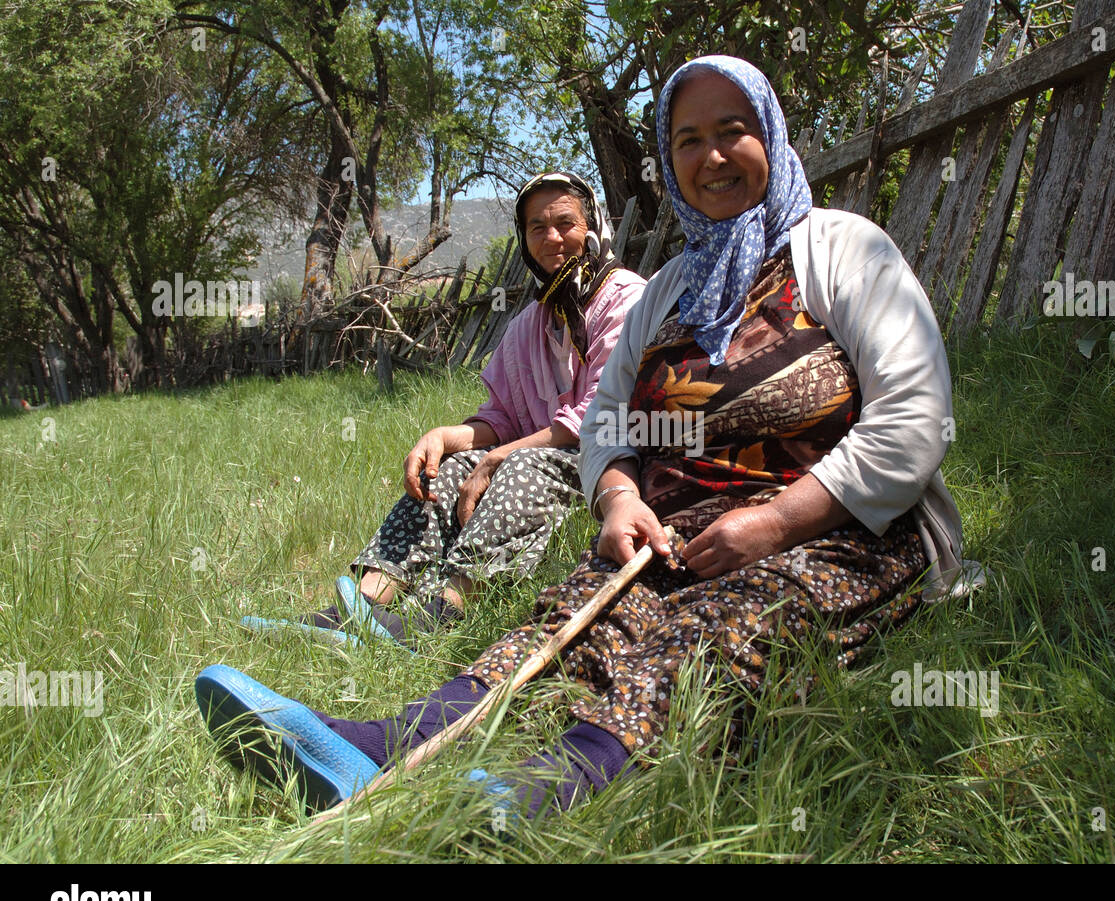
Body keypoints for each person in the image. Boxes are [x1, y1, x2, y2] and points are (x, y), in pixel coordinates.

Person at [195, 56, 979, 818]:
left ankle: (545, 791)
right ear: (669, 163)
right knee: (568, 624)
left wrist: (774, 523)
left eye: (731, 130)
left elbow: (913, 417)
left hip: (834, 531)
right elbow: (607, 421)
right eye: (687, 140)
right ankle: (369, 745)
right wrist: (617, 496)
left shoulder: (845, 249)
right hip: (672, 534)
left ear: (769, 136)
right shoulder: (669, 291)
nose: (710, 156)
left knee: (736, 618)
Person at [241, 171, 646, 649]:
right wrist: (443, 437)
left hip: (604, 465)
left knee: (519, 463)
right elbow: (500, 417)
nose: (552, 237)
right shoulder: (529, 326)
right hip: (542, 452)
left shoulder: (624, 298)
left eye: (565, 223)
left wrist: (497, 458)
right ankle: (363, 606)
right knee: (448, 469)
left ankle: (439, 616)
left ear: (592, 226)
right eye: (537, 227)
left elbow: (594, 418)